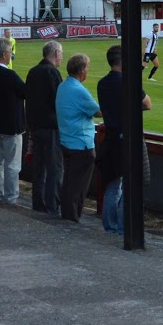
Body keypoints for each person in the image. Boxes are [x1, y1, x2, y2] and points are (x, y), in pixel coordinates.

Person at [96, 44, 150, 234]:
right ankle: (124, 228)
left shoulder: (102, 83)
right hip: (128, 138)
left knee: (112, 186)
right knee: (131, 185)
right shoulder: (128, 82)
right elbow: (147, 103)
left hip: (110, 138)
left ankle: (110, 227)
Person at [55, 52, 101, 224]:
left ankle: (68, 215)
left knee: (69, 182)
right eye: (87, 68)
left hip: (67, 141)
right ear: (82, 70)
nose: (88, 71)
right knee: (78, 186)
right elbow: (97, 110)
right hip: (81, 144)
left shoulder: (63, 86)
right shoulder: (79, 90)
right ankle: (72, 218)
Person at [0, 36, 29, 205]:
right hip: (12, 126)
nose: (11, 55)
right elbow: (26, 92)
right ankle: (11, 198)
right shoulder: (10, 75)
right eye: (10, 52)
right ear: (4, 54)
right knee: (12, 165)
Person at [25, 41, 65, 217]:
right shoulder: (52, 72)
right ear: (56, 53)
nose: (62, 57)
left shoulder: (33, 71)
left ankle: (38, 204)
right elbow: (60, 100)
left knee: (39, 169)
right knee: (54, 168)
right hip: (50, 127)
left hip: (35, 126)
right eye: (61, 53)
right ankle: (51, 207)